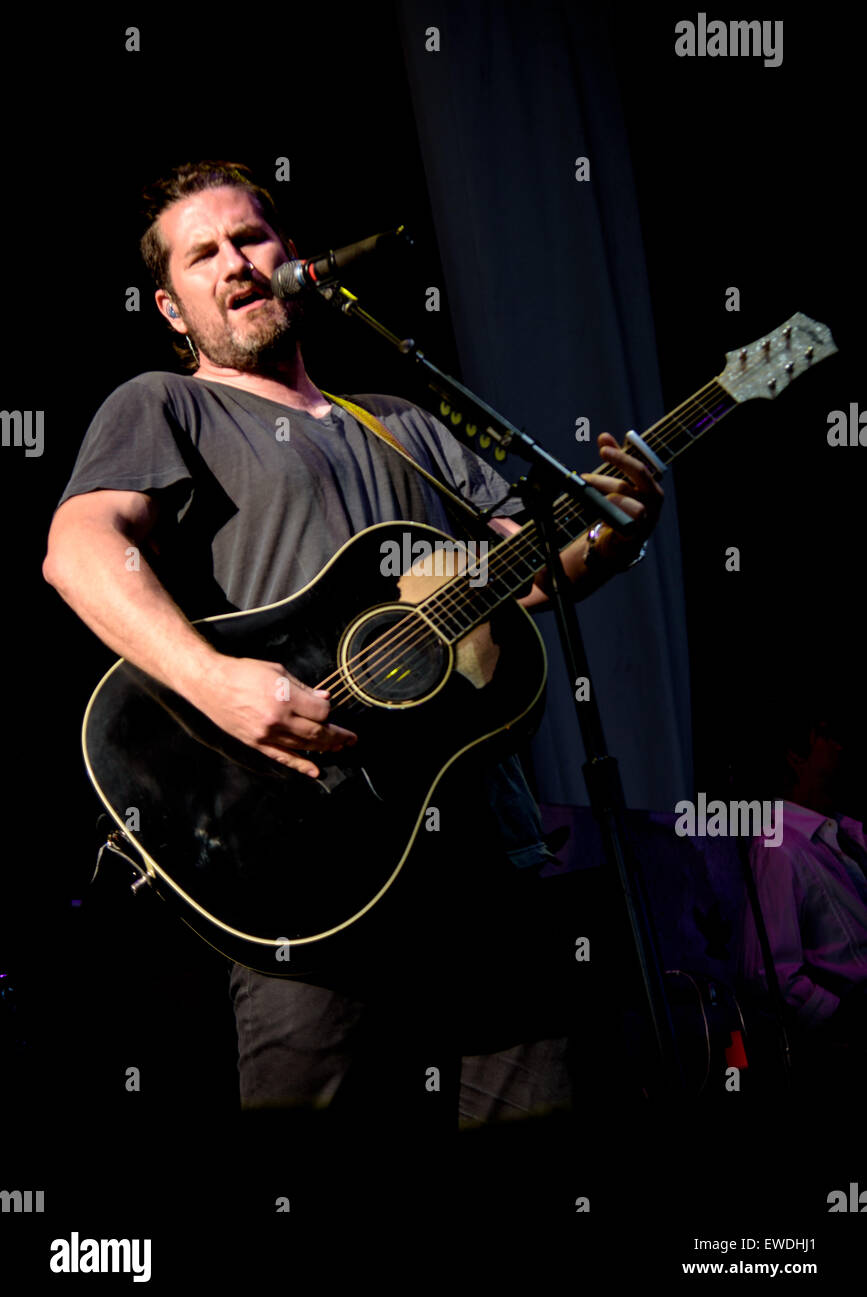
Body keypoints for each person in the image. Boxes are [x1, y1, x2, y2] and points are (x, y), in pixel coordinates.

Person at [43, 160, 664, 1130]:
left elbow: (531, 570)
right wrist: (218, 683)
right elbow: (78, 551)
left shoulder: (406, 423)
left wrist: (614, 534)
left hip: (476, 859)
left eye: (250, 239)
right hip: (302, 861)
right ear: (172, 306)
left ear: (293, 259)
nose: (236, 263)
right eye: (204, 254)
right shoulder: (165, 405)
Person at [741, 709, 867, 1057]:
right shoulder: (778, 847)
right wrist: (843, 1019)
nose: (843, 746)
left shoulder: (850, 833)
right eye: (828, 736)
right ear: (796, 756)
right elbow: (768, 976)